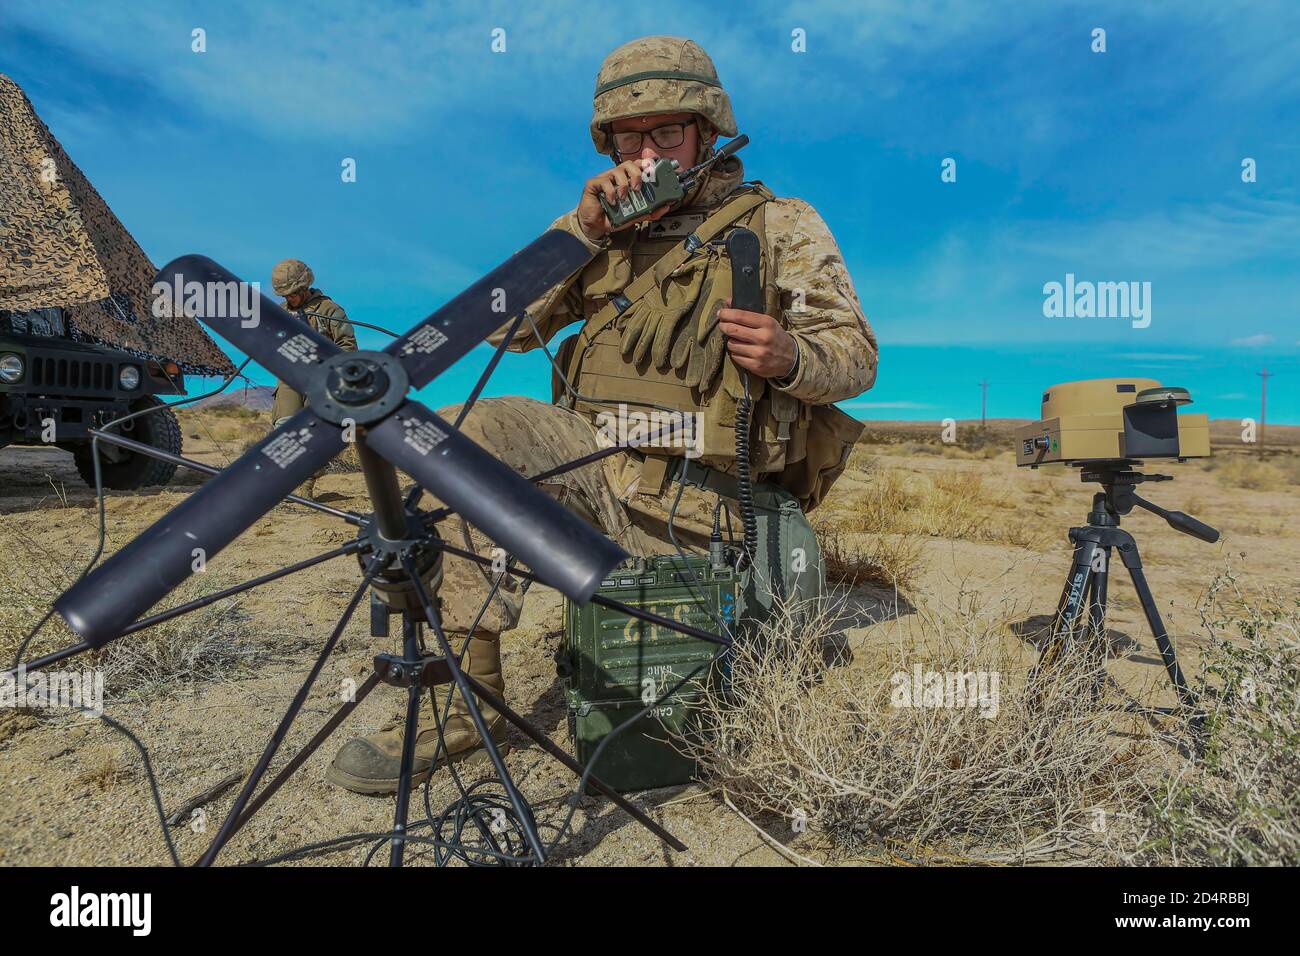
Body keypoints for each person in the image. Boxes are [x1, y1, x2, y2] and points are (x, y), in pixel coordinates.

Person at [327, 35, 878, 794]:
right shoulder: (595, 231)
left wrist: (791, 356)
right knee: (457, 437)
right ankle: (464, 706)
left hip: (705, 504)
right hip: (591, 474)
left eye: (666, 133)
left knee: (721, 686)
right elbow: (502, 326)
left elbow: (856, 355)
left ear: (707, 131)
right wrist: (581, 233)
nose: (646, 154)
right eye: (628, 137)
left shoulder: (780, 224)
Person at [267, 258, 356, 427]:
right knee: (284, 428)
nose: (289, 299)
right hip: (290, 378)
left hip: (323, 379)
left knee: (316, 427)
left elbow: (348, 346)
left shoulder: (329, 309)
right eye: (285, 296)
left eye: (293, 294)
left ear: (304, 288)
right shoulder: (280, 312)